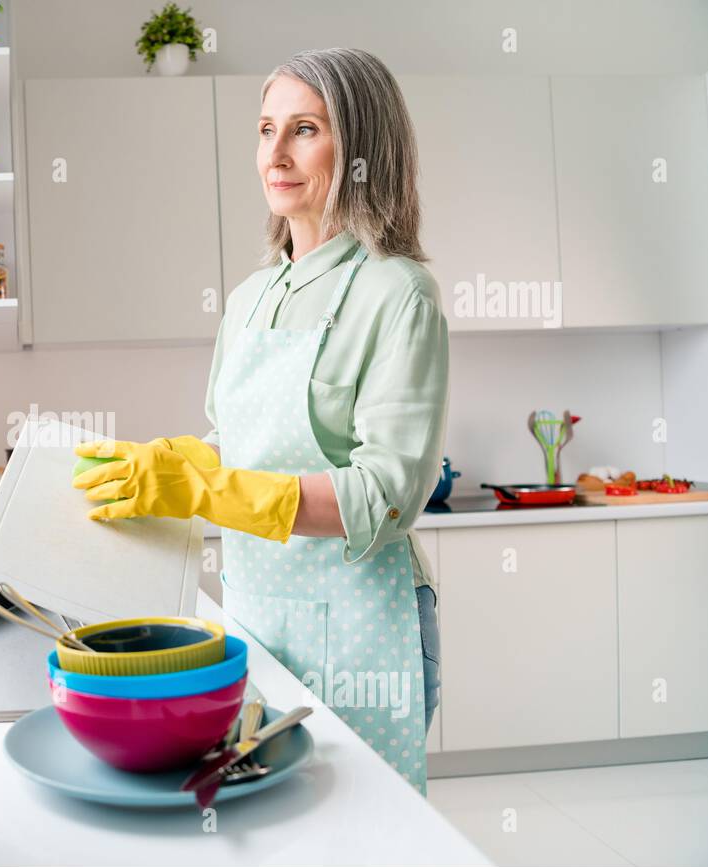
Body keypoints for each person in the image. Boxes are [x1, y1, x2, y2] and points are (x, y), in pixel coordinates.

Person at [71, 48, 448, 796]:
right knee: (275, 824)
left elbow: (389, 496)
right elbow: (234, 445)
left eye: (303, 129)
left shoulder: (398, 294)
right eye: (265, 128)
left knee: (359, 828)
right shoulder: (249, 299)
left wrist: (211, 492)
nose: (273, 154)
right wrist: (173, 463)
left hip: (362, 622)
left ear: (363, 148)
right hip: (260, 615)